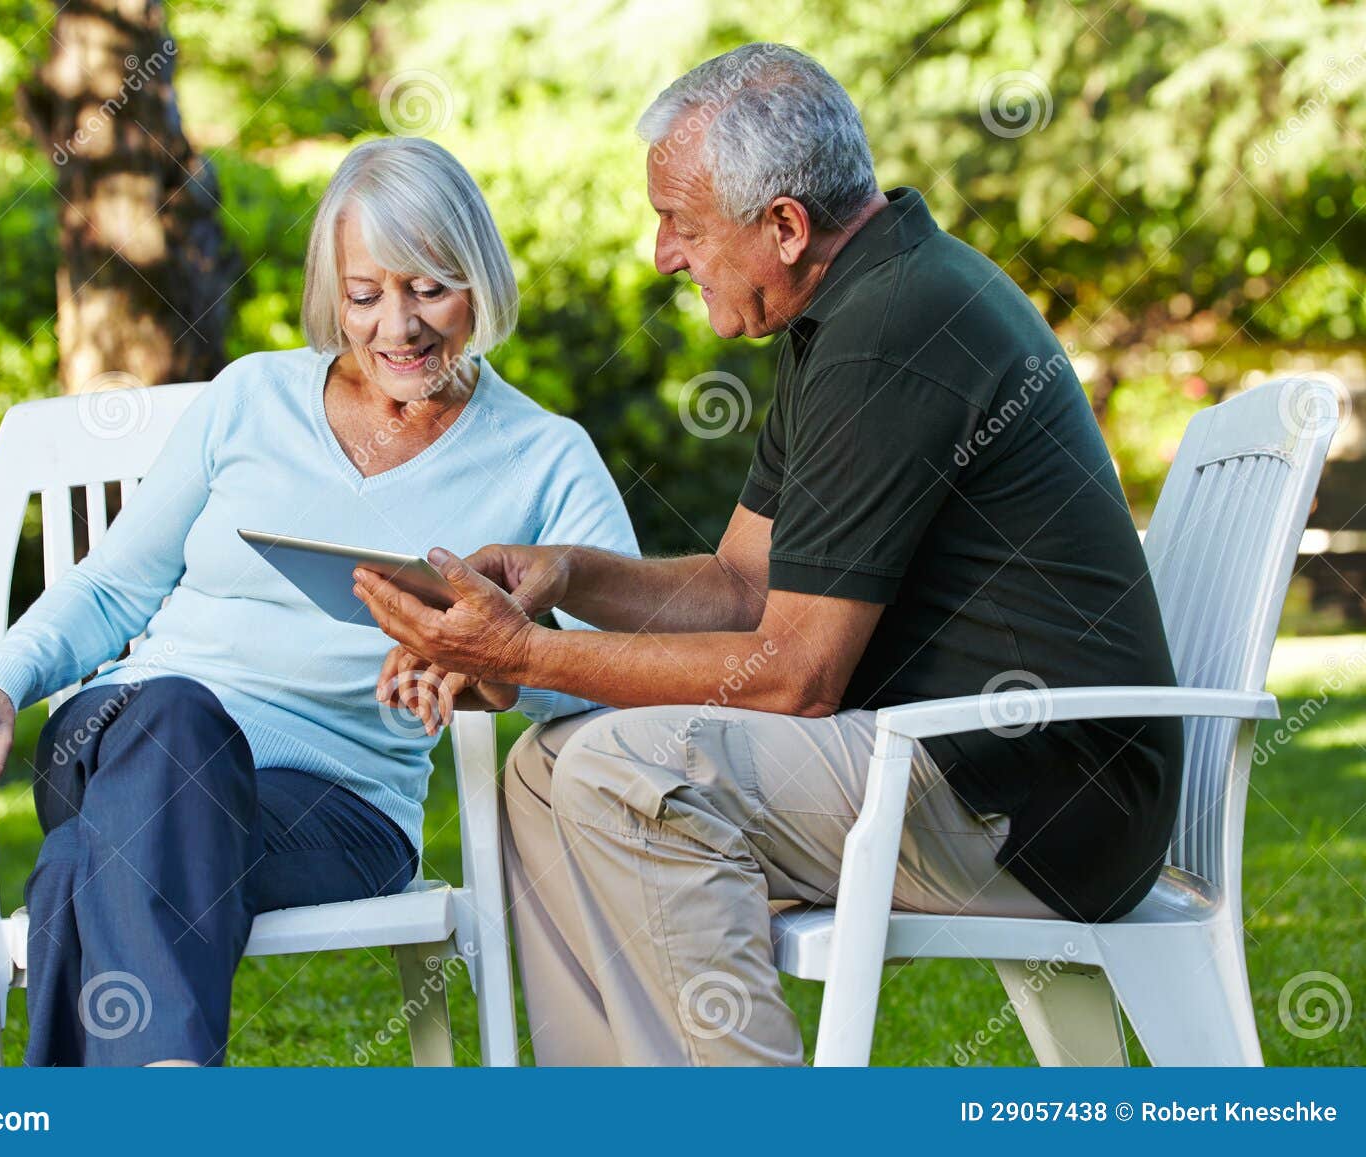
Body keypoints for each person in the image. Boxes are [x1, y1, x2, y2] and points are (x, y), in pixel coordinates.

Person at [355, 44, 1184, 1065]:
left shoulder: (896, 325)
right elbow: (741, 584)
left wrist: (522, 654)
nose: (662, 253)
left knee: (623, 769)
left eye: (683, 222)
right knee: (541, 769)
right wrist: (564, 573)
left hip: (1034, 801)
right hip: (955, 763)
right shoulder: (850, 310)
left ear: (785, 226)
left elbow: (795, 673)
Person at [0, 137, 638, 1066]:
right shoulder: (250, 397)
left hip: (335, 808)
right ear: (332, 291)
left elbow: (613, 668)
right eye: (365, 294)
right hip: (124, 734)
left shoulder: (545, 456)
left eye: (429, 289)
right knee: (176, 718)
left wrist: (495, 666)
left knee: (83, 865)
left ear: (480, 280)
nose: (397, 327)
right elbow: (113, 585)